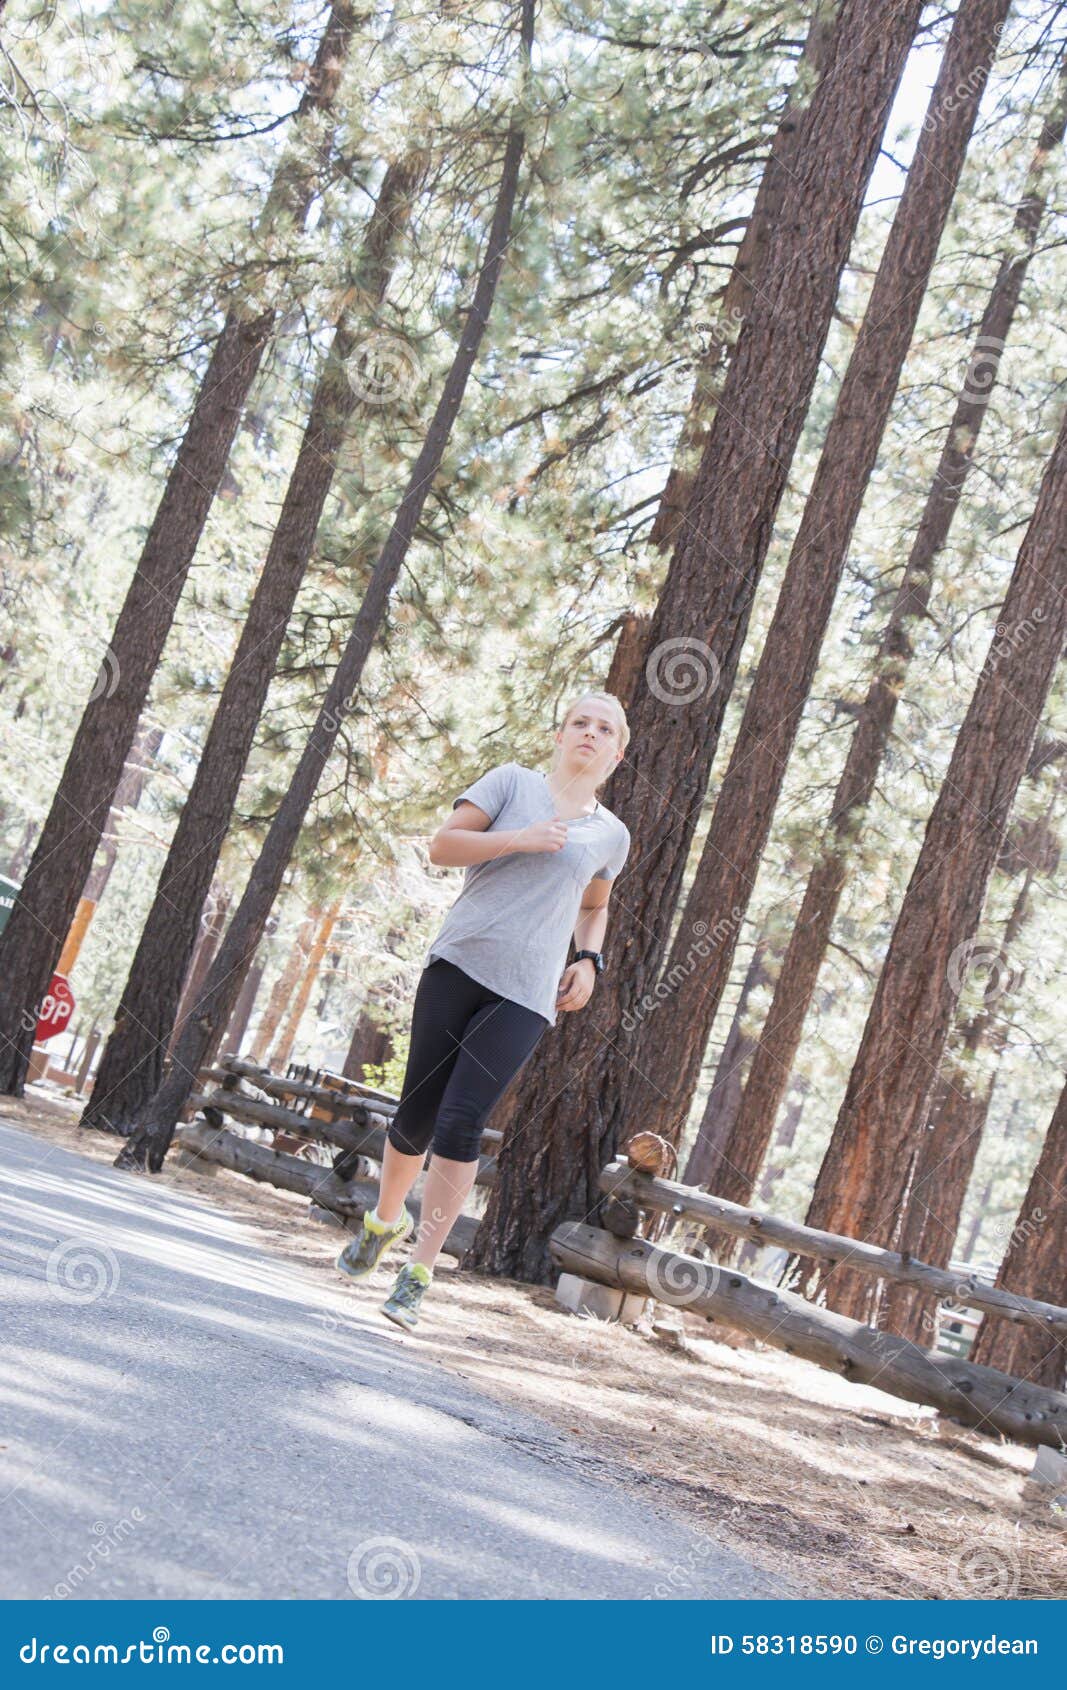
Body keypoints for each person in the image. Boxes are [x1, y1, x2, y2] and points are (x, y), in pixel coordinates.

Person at [336, 690, 631, 1330]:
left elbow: (594, 903)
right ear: (560, 735)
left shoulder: (612, 834)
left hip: (526, 993)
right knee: (416, 1115)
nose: (590, 732)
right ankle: (384, 1221)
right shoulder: (511, 783)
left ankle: (419, 1272)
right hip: (459, 961)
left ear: (616, 754)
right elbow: (443, 847)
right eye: (580, 722)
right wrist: (519, 839)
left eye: (605, 729)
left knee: (462, 1124)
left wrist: (589, 959)